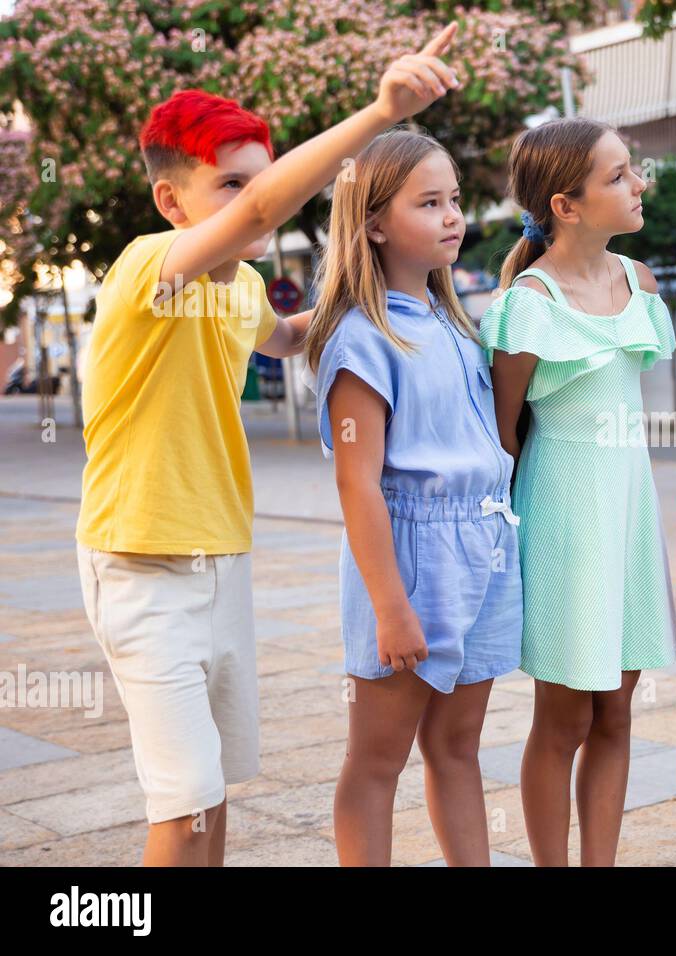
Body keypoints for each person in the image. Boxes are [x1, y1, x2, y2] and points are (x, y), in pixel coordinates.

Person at [73, 24, 462, 866]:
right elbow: (261, 213)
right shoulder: (152, 268)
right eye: (232, 185)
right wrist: (380, 111)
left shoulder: (240, 284)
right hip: (141, 564)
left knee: (211, 797)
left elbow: (285, 337)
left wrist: (366, 286)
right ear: (173, 203)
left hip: (223, 562)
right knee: (181, 802)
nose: (260, 197)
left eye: (261, 173)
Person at [305, 127, 522, 866]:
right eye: (429, 203)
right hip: (411, 559)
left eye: (455, 200)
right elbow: (356, 482)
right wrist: (393, 608)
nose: (453, 216)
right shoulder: (361, 339)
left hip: (483, 548)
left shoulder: (456, 326)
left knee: (459, 749)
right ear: (372, 221)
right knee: (377, 759)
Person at [478, 118, 676, 866]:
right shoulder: (527, 303)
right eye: (619, 174)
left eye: (632, 169)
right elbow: (504, 436)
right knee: (561, 721)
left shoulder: (641, 283)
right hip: (564, 521)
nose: (638, 184)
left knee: (618, 715)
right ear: (567, 204)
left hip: (628, 519)